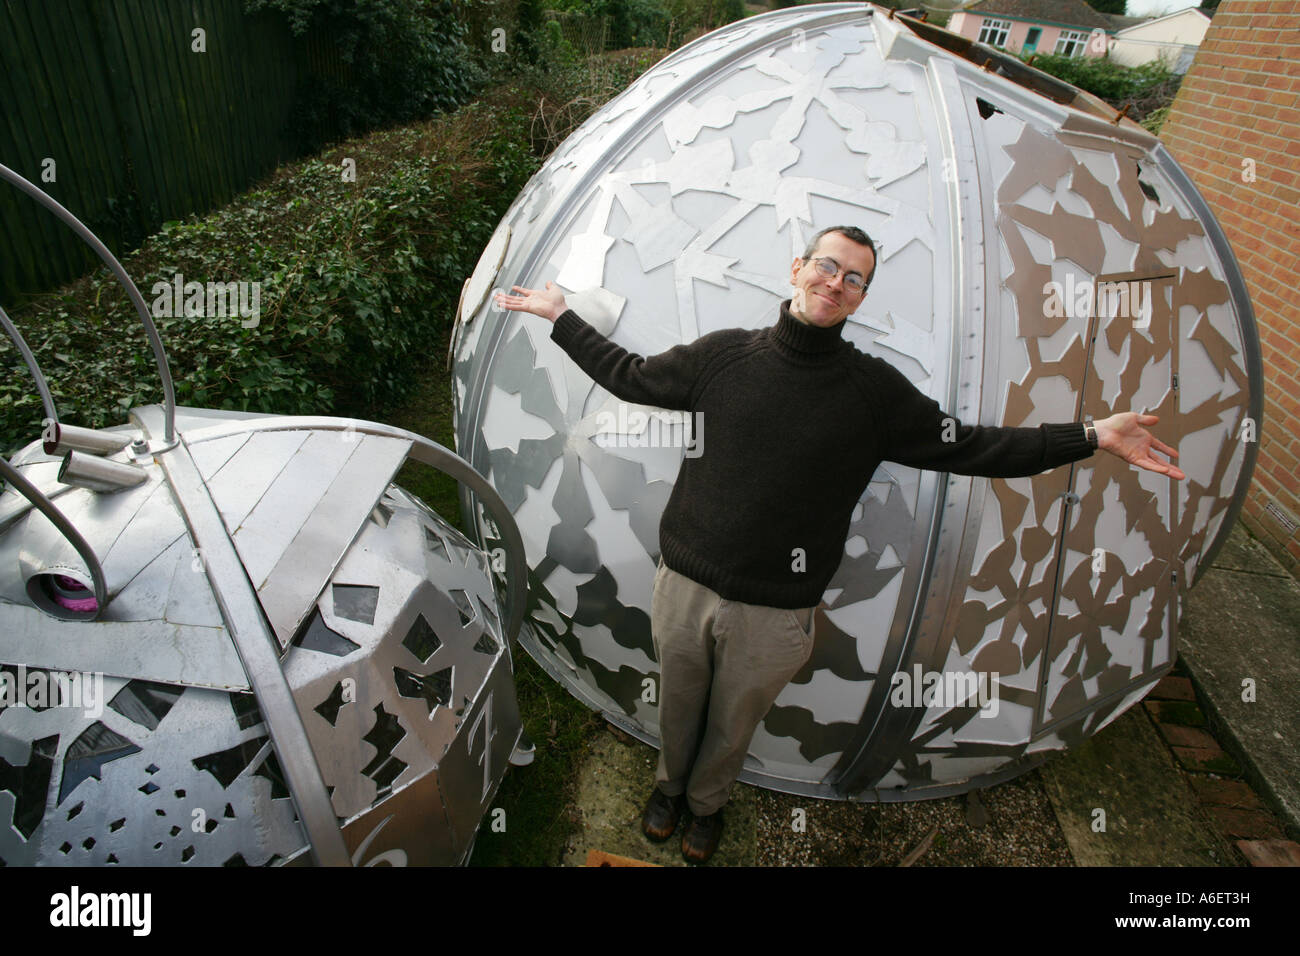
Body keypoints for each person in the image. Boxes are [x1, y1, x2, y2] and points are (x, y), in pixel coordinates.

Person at [493, 225, 1183, 864]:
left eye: (854, 278)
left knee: (734, 725)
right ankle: (668, 789)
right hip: (686, 585)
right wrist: (562, 316)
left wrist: (1092, 435)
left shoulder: (872, 393)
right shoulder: (722, 357)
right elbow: (630, 373)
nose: (835, 282)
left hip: (777, 613)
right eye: (827, 266)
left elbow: (972, 446)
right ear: (798, 269)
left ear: (859, 298)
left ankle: (706, 805)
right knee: (678, 704)